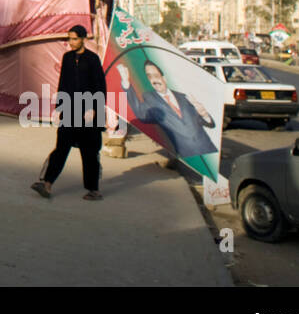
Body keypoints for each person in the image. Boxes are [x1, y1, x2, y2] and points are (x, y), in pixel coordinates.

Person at [31, 25, 107, 201]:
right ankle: (47, 184)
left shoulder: (92, 59)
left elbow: (100, 86)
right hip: (70, 110)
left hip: (89, 112)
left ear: (83, 39)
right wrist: (59, 107)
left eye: (74, 39)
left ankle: (94, 190)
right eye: (69, 39)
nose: (71, 42)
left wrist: (95, 108)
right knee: (61, 148)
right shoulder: (67, 58)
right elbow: (63, 83)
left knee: (89, 153)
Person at [118, 58, 217, 157]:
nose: (154, 80)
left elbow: (209, 124)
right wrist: (126, 83)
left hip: (209, 151)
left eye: (156, 76)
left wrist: (204, 114)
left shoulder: (184, 97)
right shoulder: (150, 98)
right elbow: (141, 114)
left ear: (164, 78)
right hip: (186, 156)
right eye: (150, 77)